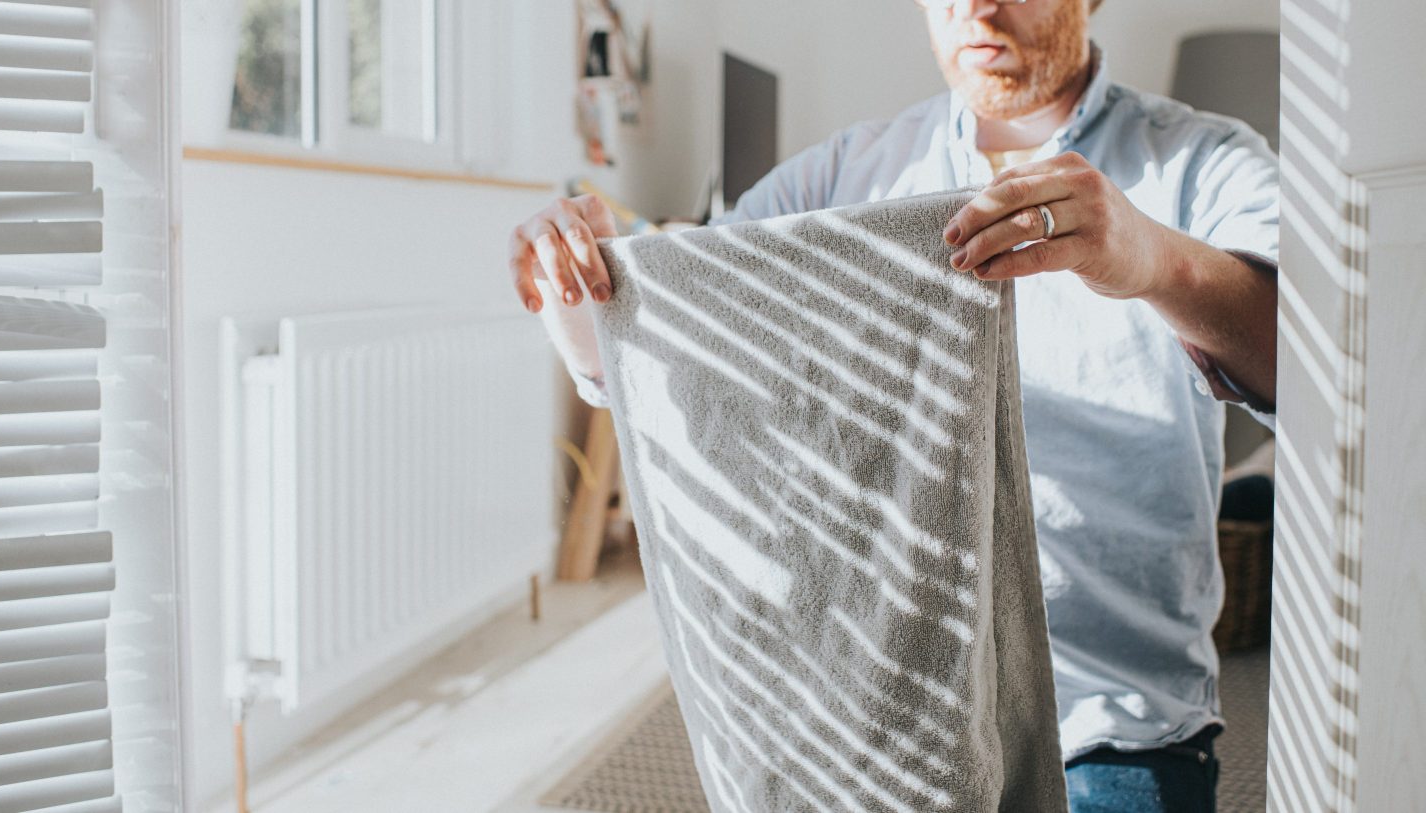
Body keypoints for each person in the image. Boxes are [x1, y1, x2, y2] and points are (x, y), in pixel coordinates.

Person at [506, 0, 1278, 809]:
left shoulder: (1201, 162)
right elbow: (680, 340)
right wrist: (576, 281)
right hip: (880, 707)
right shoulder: (844, 175)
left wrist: (1151, 256)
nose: (975, 6)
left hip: (1108, 722)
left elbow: (1304, 359)